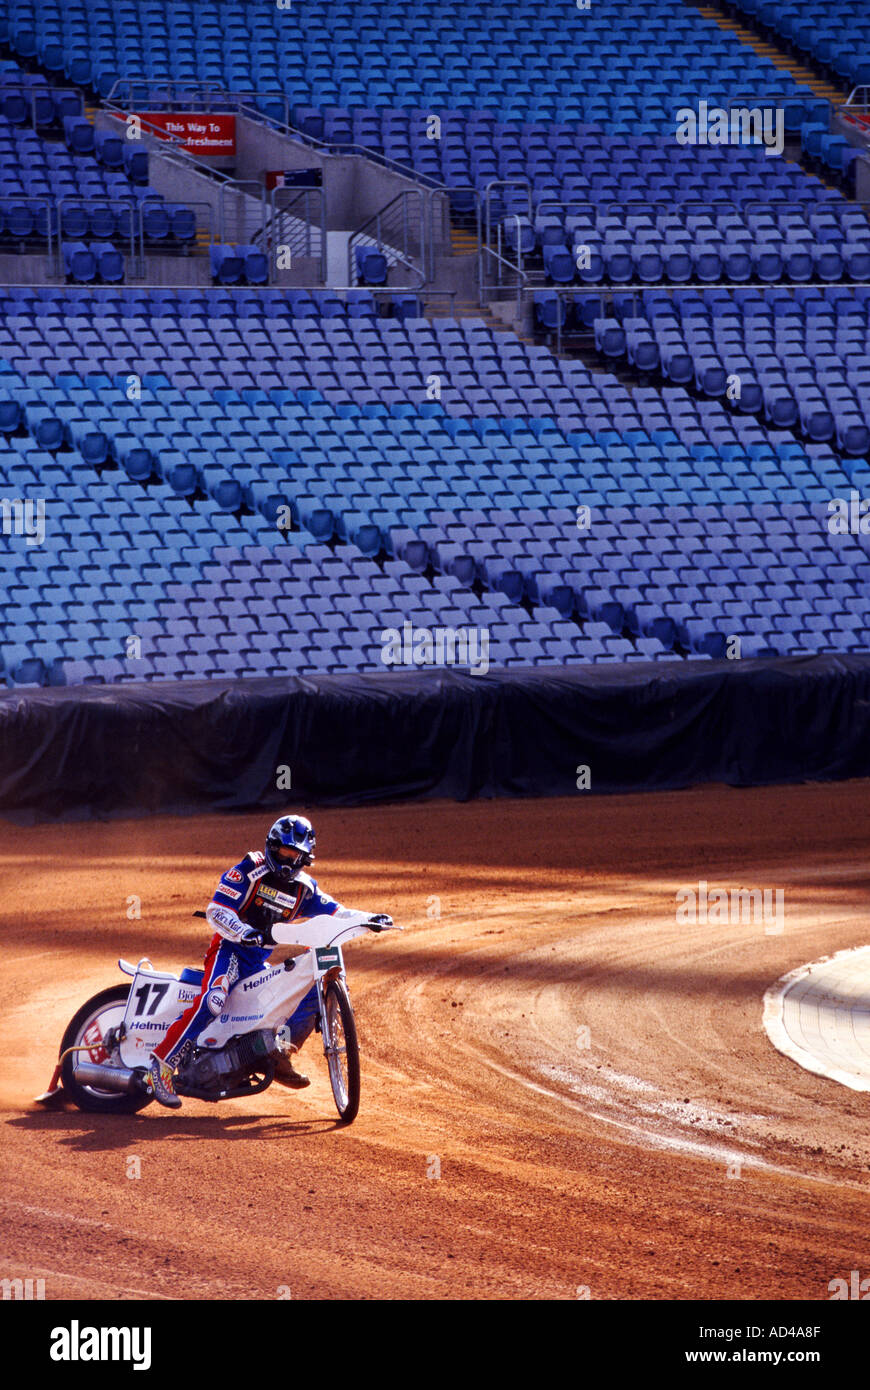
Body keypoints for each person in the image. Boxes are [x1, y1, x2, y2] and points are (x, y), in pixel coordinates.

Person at [148, 814, 344, 1108]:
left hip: (257, 965)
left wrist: (371, 919)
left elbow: (338, 913)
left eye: (295, 854)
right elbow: (216, 911)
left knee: (310, 989)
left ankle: (280, 1054)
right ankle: (160, 1066)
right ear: (272, 847)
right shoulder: (249, 869)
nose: (288, 859)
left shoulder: (305, 889)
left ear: (305, 857)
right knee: (213, 999)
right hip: (229, 953)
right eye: (284, 851)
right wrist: (244, 932)